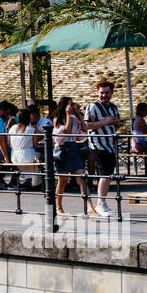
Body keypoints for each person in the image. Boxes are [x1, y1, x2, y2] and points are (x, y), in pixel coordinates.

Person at [83, 79, 121, 218]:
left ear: (111, 93)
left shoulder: (114, 107)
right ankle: (100, 204)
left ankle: (102, 203)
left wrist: (116, 123)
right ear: (97, 93)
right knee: (104, 174)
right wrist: (104, 122)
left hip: (110, 145)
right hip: (98, 145)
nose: (104, 95)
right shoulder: (92, 107)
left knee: (108, 175)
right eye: (101, 93)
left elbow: (115, 126)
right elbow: (86, 125)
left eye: (107, 93)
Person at [53, 97, 92, 218]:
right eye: (69, 104)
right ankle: (58, 206)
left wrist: (79, 115)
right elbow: (67, 131)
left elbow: (85, 130)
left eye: (72, 104)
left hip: (73, 149)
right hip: (62, 150)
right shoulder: (57, 120)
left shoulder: (75, 118)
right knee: (62, 181)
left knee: (82, 178)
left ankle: (90, 207)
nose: (72, 106)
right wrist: (68, 115)